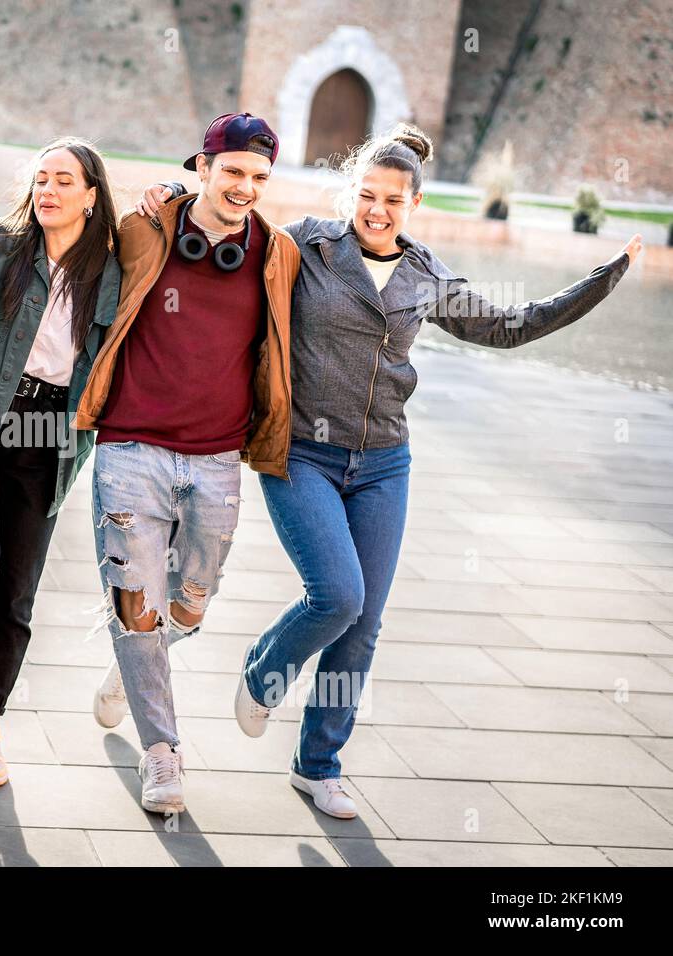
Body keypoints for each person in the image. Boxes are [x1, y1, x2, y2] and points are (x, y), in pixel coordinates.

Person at [144, 123, 643, 818]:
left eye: (392, 201)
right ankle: (264, 675)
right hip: (302, 455)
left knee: (364, 623)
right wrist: (172, 192)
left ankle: (317, 766)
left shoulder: (427, 276)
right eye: (367, 195)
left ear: (413, 206)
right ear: (353, 193)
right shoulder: (306, 245)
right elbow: (228, 222)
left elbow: (510, 326)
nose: (377, 210)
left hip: (384, 463)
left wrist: (603, 278)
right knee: (338, 595)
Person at [71, 113, 301, 814]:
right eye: (231, 171)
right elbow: (68, 240)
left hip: (217, 457)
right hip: (129, 445)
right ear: (202, 167)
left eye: (258, 177)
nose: (244, 187)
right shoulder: (146, 227)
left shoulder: (278, 253)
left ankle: (130, 666)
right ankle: (162, 751)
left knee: (189, 603)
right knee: (135, 599)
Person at [0, 138, 121, 787]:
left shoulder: (112, 273)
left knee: (16, 595)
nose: (49, 190)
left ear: (92, 196)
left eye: (64, 180)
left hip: (50, 436)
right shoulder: (2, 245)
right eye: (41, 179)